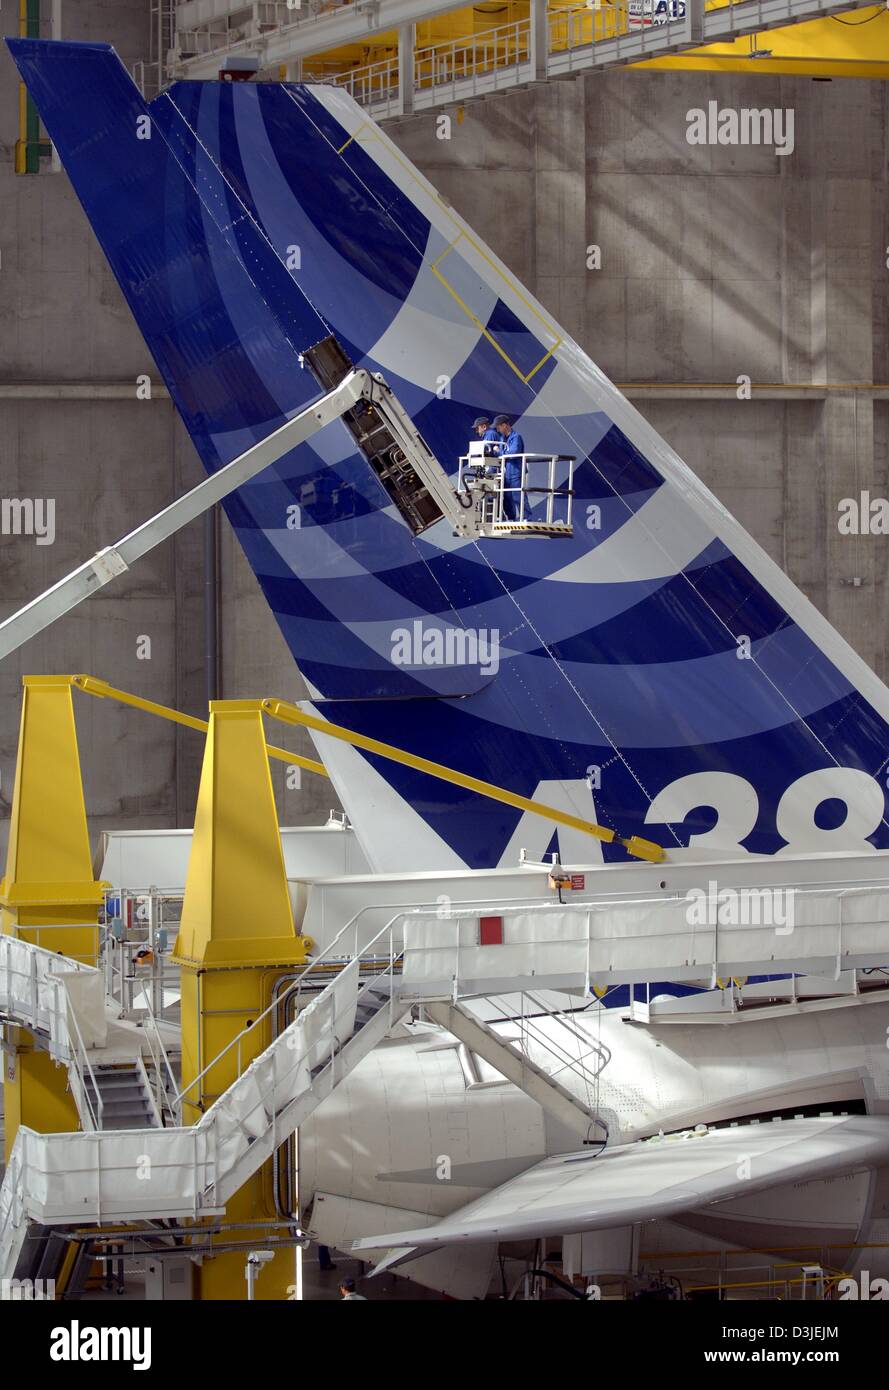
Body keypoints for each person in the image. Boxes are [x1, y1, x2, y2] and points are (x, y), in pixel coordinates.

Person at [493, 414, 526, 521]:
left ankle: (526, 518)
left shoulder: (516, 437)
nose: (497, 429)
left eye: (498, 427)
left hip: (515, 471)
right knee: (507, 497)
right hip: (507, 472)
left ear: (504, 425)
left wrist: (500, 452)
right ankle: (512, 518)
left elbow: (513, 453)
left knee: (518, 496)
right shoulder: (503, 439)